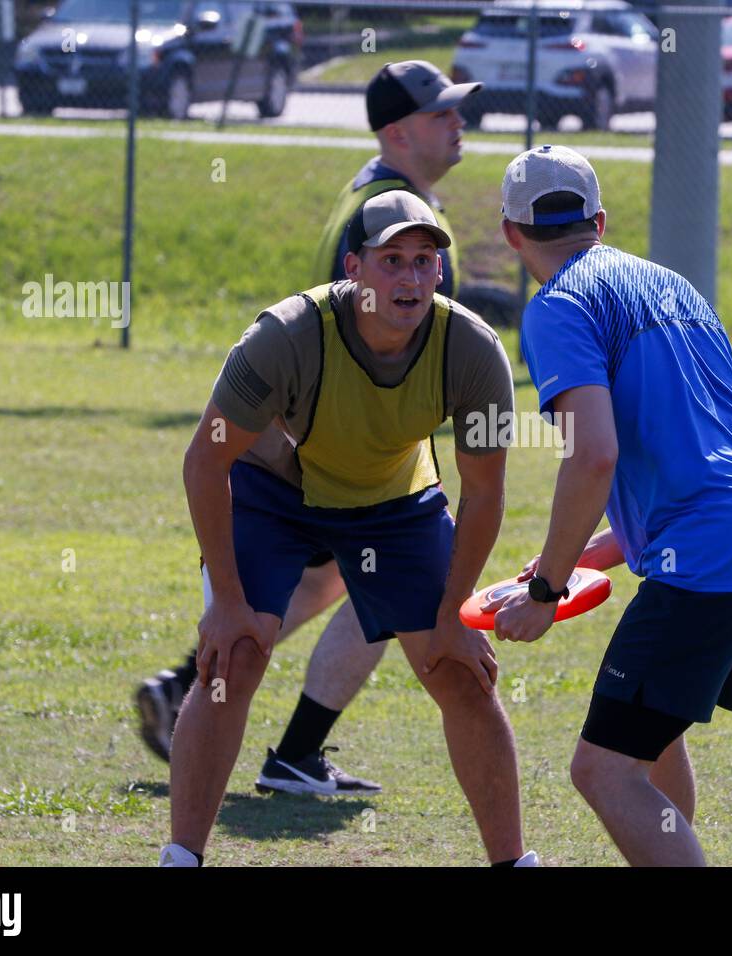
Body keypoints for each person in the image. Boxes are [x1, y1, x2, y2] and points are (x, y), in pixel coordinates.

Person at [136, 60, 483, 798]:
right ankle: (286, 747)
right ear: (398, 130)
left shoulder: (371, 192)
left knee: (331, 587)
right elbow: (356, 335)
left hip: (327, 441)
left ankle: (197, 693)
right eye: (442, 114)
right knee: (385, 594)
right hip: (337, 450)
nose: (458, 125)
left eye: (458, 111)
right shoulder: (391, 209)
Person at [160, 190, 534, 867]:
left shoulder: (473, 352)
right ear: (353, 268)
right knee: (233, 658)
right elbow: (204, 459)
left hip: (390, 502)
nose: (412, 278)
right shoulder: (284, 336)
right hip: (274, 491)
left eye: (425, 262)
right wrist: (226, 601)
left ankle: (514, 864)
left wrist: (452, 614)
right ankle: (180, 859)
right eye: (392, 261)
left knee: (459, 672)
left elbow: (483, 494)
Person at [487, 145, 732, 866]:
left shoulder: (559, 307)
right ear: (599, 220)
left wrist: (544, 593)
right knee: (648, 742)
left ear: (512, 234)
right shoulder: (675, 287)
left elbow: (595, 454)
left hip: (714, 548)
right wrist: (587, 554)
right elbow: (689, 448)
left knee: (601, 769)